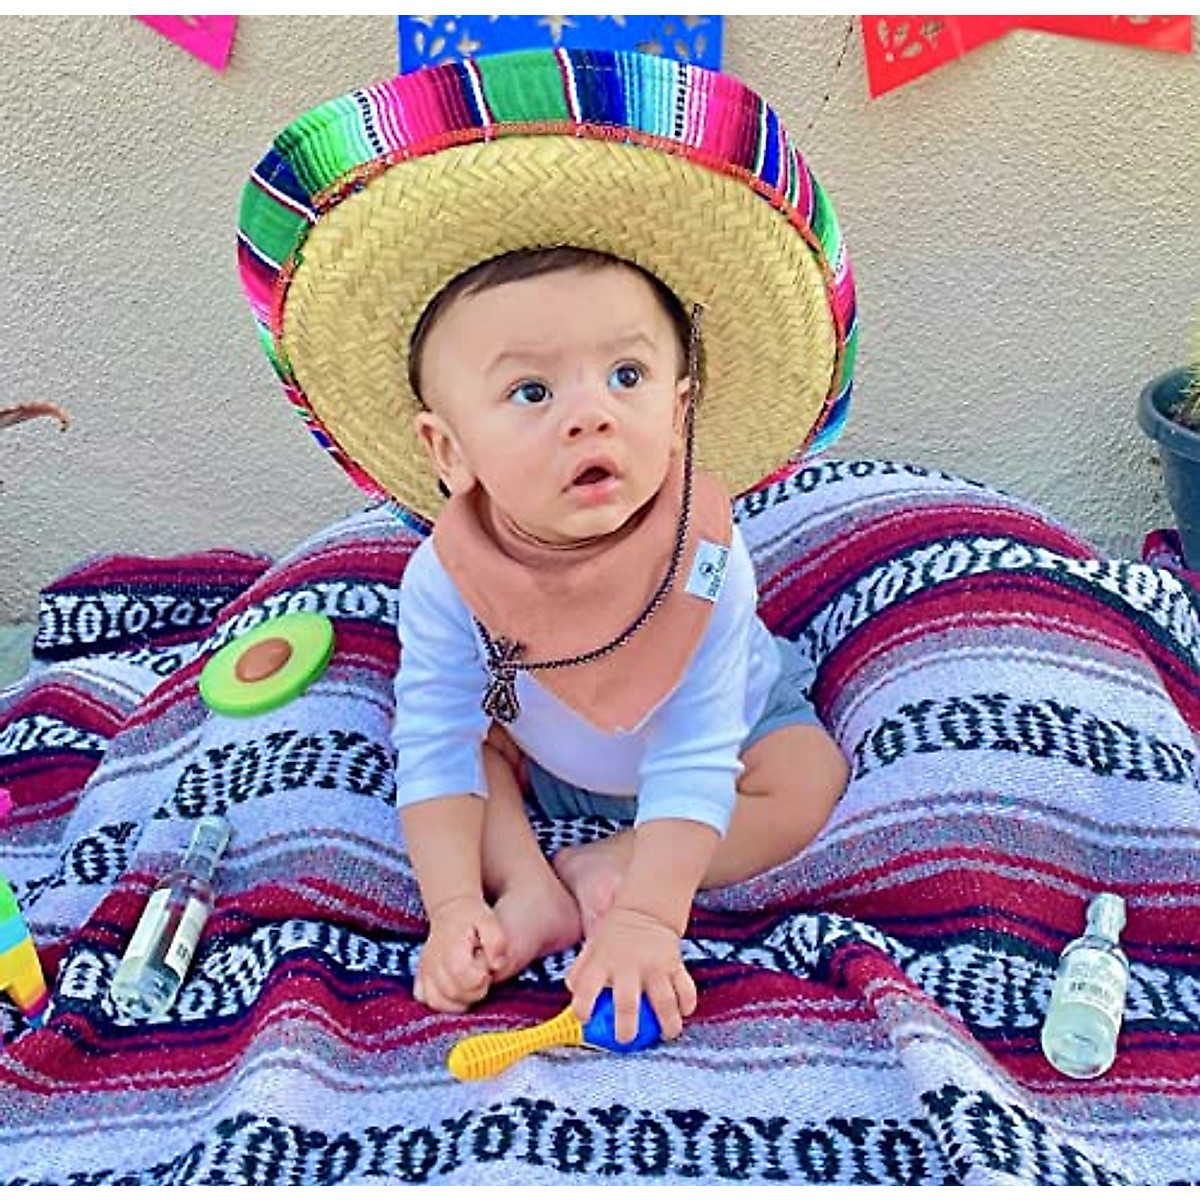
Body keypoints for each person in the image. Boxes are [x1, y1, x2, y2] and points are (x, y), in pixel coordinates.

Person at [237, 47, 859, 1044]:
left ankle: (610, 865)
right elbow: (436, 741)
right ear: (449, 451)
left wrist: (647, 914)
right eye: (531, 391)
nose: (589, 415)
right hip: (540, 741)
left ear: (680, 410)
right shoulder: (449, 579)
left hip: (723, 733)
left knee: (807, 781)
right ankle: (531, 889)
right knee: (472, 755)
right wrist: (453, 906)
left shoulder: (704, 557)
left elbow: (697, 749)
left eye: (627, 377)